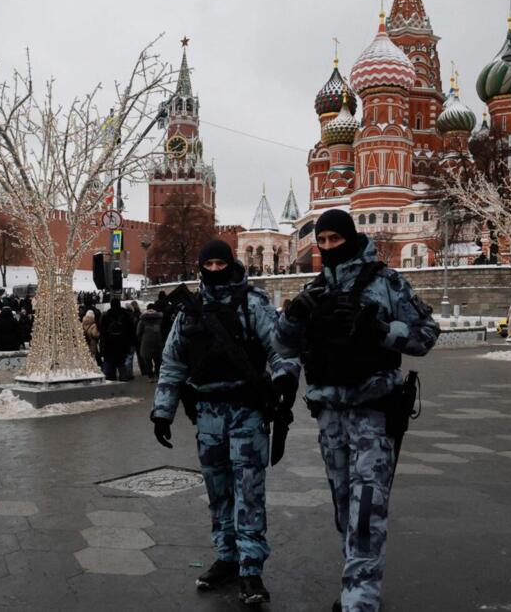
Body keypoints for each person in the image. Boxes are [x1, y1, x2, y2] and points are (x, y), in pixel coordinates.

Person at [275, 209, 439, 612]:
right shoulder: (314, 290)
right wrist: (293, 318)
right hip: (330, 415)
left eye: (335, 239)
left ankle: (359, 602)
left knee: (366, 509)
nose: (329, 246)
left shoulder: (386, 283)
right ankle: (356, 583)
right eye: (323, 240)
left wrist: (382, 332)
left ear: (350, 238)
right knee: (344, 505)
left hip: (372, 414)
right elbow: (282, 346)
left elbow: (426, 334)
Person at [150, 240, 300, 605]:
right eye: (209, 264)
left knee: (248, 492)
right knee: (218, 491)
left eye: (221, 263)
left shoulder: (252, 303)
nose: (215, 270)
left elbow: (280, 348)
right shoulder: (189, 311)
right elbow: (173, 362)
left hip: (246, 411)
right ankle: (227, 556)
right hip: (208, 415)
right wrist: (163, 410)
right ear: (201, 267)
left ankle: (251, 569)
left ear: (230, 264)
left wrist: (284, 379)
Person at [99, 298, 136, 381]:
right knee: (121, 362)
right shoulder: (126, 316)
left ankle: (111, 378)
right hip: (122, 343)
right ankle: (124, 377)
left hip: (110, 344)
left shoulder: (106, 316)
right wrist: (130, 342)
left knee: (110, 362)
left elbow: (102, 331)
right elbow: (131, 330)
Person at [136, 303, 164, 380]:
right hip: (157, 342)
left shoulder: (142, 320)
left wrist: (141, 339)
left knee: (147, 360)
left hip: (146, 342)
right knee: (158, 360)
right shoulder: (160, 319)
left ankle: (150, 376)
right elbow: (163, 330)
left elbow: (138, 332)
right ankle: (157, 374)